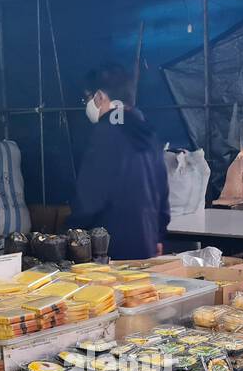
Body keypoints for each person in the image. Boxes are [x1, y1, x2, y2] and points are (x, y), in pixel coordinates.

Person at [68, 65, 169, 261]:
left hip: (111, 245)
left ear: (100, 96)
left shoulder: (106, 133)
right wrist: (158, 234)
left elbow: (90, 196)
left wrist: (72, 230)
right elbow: (162, 188)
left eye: (87, 99)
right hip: (146, 241)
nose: (86, 105)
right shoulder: (147, 131)